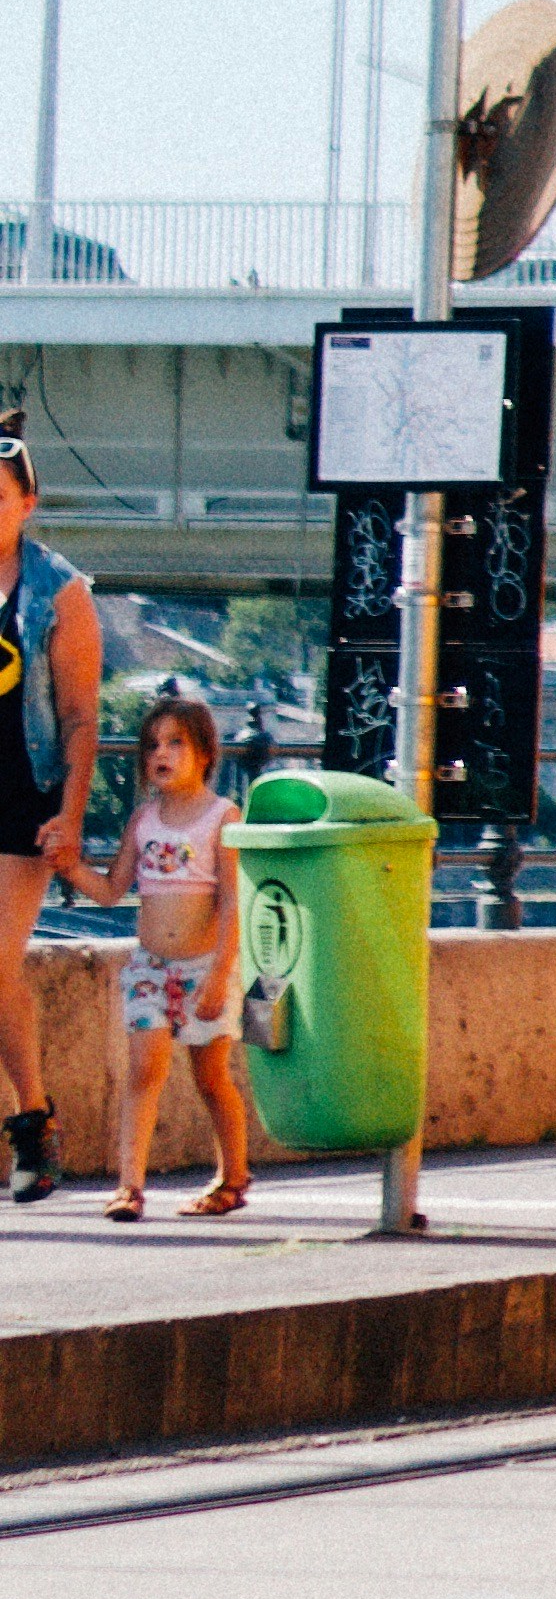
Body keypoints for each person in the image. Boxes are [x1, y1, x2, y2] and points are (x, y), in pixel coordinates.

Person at [91, 691, 244, 1224]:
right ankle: (129, 1186)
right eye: (154, 745)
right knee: (143, 1068)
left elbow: (230, 901)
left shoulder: (222, 816)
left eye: (176, 742)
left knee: (210, 1076)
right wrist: (66, 864)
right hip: (151, 967)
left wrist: (221, 976)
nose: (163, 753)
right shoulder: (143, 820)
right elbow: (112, 890)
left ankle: (232, 1177)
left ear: (204, 752)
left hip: (204, 967)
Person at [0, 420, 102, 1205]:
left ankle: (33, 1125)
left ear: (28, 502)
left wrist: (69, 817)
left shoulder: (58, 592)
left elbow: (77, 718)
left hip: (22, 797)